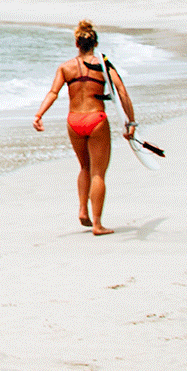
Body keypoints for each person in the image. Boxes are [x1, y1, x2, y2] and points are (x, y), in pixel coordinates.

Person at [32, 19, 136, 236]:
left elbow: (53, 93)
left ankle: (82, 210)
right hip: (96, 120)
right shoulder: (104, 65)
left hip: (74, 121)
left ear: (77, 44)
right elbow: (121, 92)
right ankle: (97, 224)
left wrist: (40, 114)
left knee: (84, 167)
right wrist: (131, 121)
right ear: (95, 44)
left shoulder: (65, 67)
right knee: (98, 173)